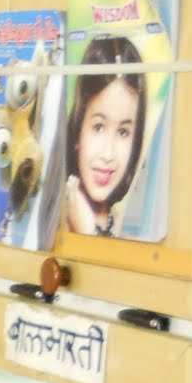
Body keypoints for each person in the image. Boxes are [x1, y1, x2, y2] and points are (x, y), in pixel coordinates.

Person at [63, 35, 146, 237]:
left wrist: (88, 232)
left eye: (123, 132)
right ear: (77, 131)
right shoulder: (53, 223)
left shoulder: (128, 228)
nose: (108, 154)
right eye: (98, 127)